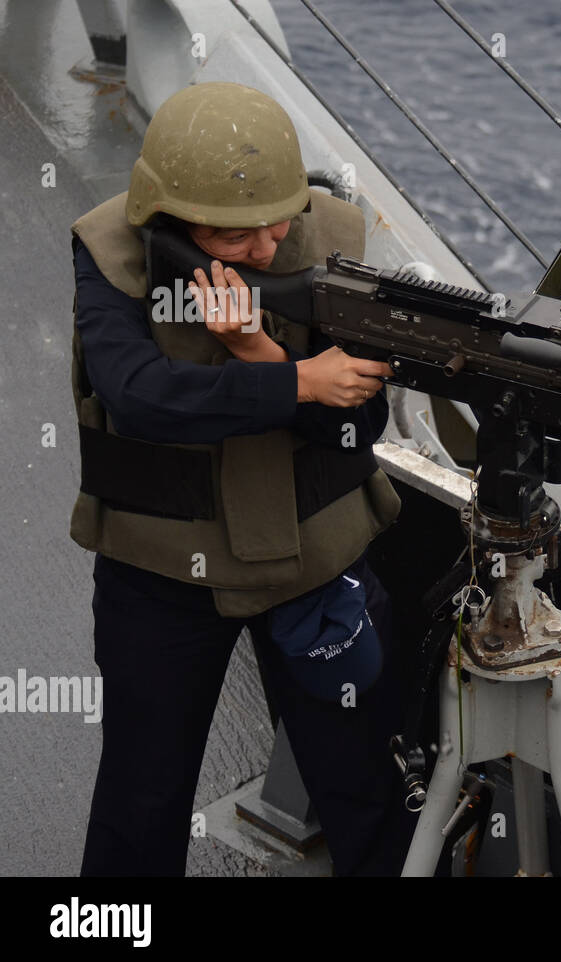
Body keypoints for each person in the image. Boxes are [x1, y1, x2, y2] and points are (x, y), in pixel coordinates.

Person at [69, 81, 416, 875]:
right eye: (236, 236)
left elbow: (355, 427)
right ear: (168, 216)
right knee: (141, 802)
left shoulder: (328, 235)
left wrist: (263, 351)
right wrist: (296, 382)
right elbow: (139, 395)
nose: (266, 249)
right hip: (162, 567)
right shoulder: (111, 254)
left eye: (276, 223)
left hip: (313, 562)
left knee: (365, 784)